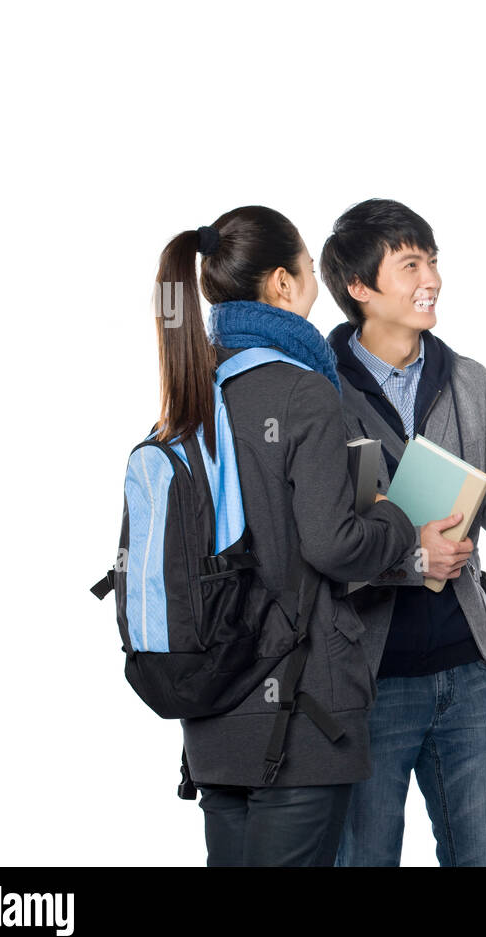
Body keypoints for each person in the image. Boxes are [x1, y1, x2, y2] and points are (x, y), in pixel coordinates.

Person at [152, 205, 418, 866]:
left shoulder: (191, 392)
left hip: (215, 711)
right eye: (306, 270)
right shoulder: (304, 394)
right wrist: (397, 517)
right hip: (301, 717)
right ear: (281, 284)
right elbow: (333, 544)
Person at [319, 198, 486, 867]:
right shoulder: (318, 395)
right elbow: (316, 543)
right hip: (366, 684)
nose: (429, 276)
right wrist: (409, 557)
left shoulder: (469, 381)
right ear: (360, 288)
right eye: (409, 263)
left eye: (431, 259)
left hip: (469, 676)